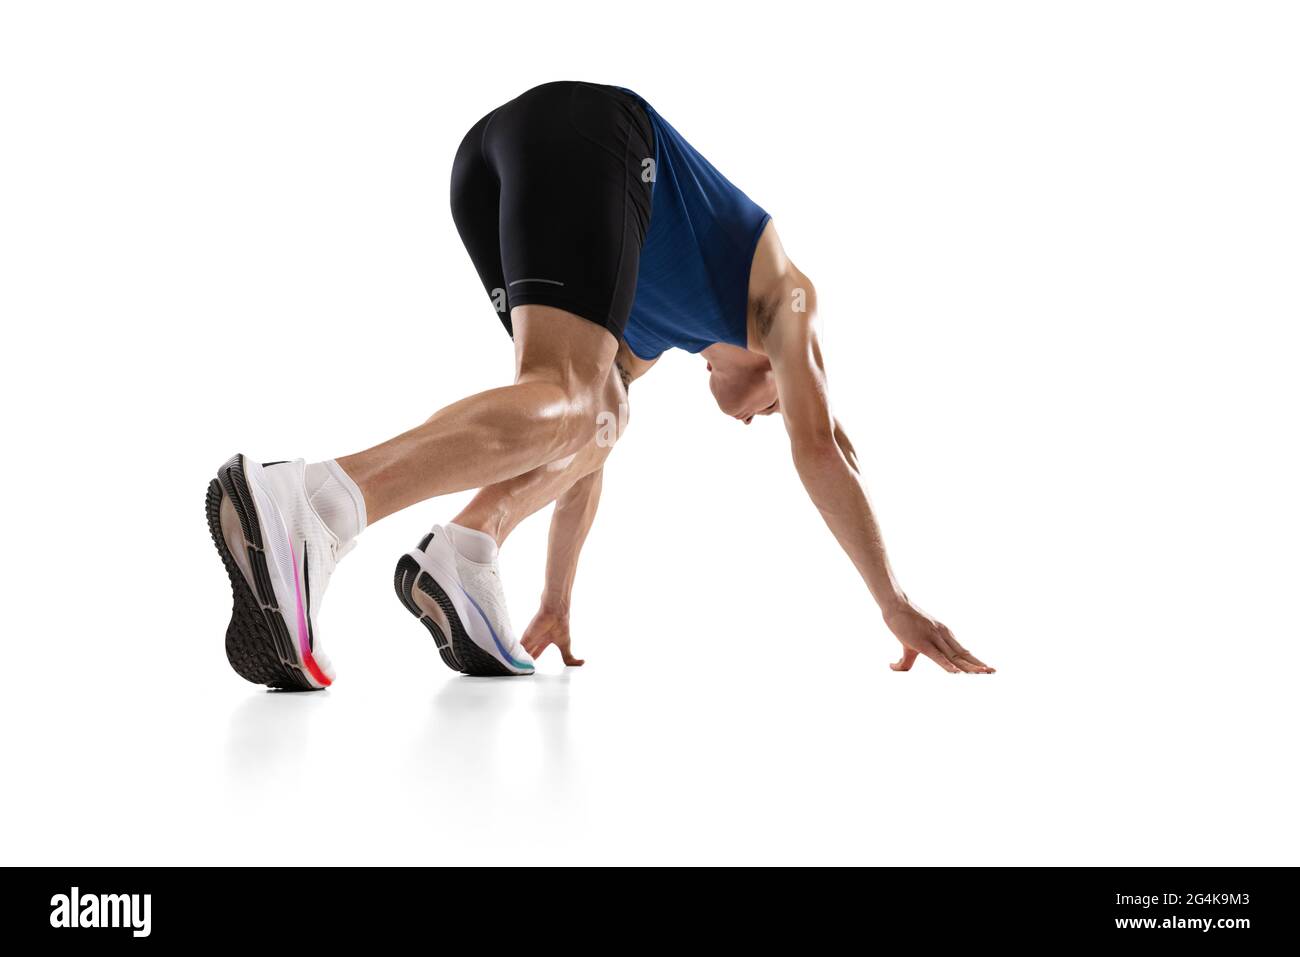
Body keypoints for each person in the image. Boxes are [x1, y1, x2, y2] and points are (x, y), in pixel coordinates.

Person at [206, 81, 993, 690]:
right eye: (776, 405)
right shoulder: (785, 300)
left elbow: (587, 457)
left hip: (494, 165)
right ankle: (311, 503)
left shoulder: (652, 333)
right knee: (575, 396)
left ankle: (467, 551)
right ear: (776, 376)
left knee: (596, 415)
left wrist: (556, 598)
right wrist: (893, 601)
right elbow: (823, 450)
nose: (761, 421)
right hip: (591, 134)